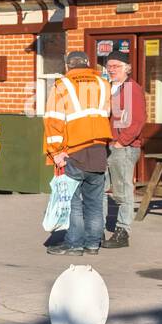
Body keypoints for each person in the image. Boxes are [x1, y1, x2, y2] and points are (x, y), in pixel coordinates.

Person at [43, 50, 112, 255]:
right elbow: (106, 114)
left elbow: (53, 120)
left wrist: (55, 152)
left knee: (73, 202)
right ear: (88, 63)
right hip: (99, 149)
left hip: (74, 150)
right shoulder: (103, 84)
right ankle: (92, 244)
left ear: (67, 66)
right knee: (95, 202)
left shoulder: (62, 85)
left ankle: (74, 244)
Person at [101, 51, 146, 248]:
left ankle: (122, 231)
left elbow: (137, 120)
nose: (111, 69)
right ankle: (97, 229)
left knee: (123, 190)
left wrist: (122, 141)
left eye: (116, 66)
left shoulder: (131, 89)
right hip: (107, 145)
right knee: (100, 189)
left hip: (123, 147)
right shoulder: (110, 88)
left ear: (127, 68)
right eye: (109, 66)